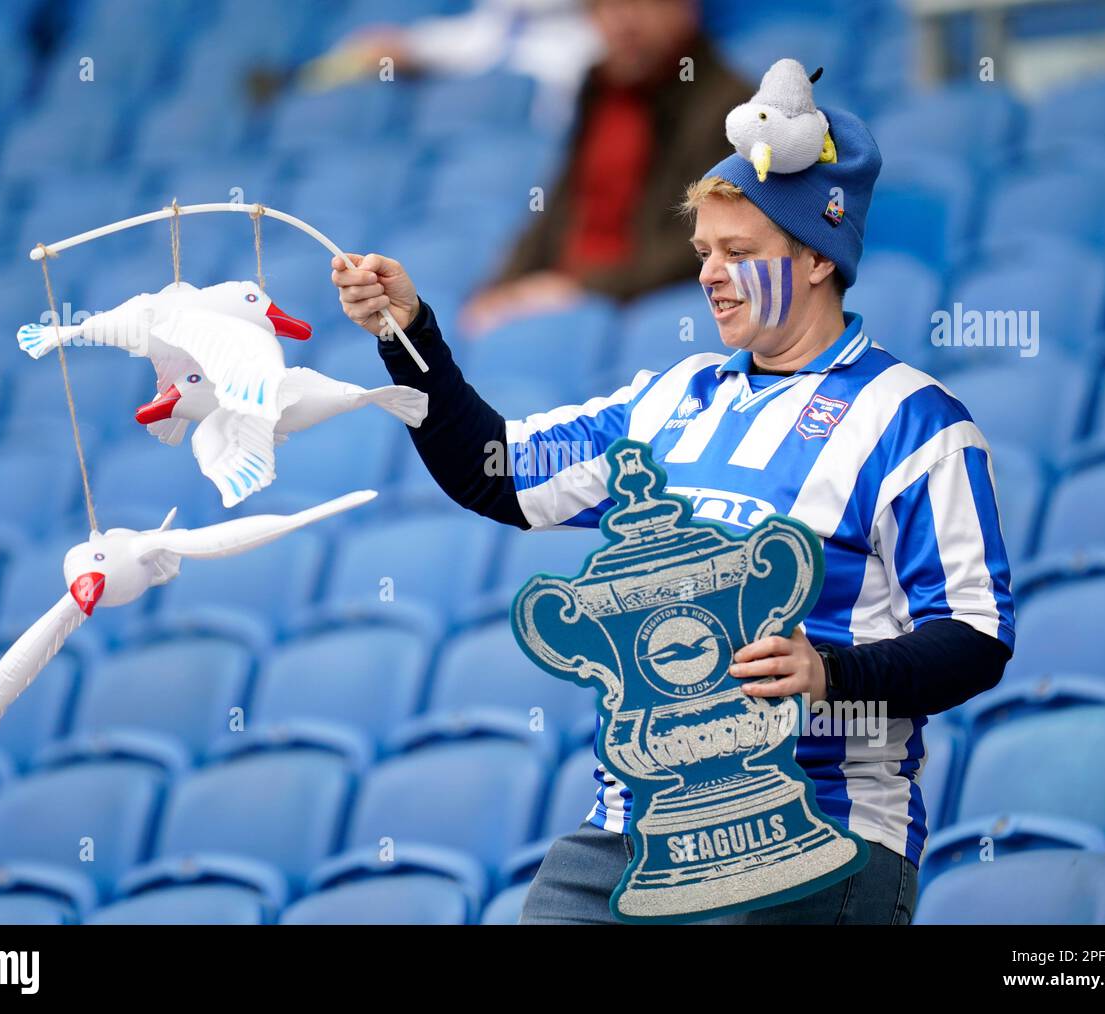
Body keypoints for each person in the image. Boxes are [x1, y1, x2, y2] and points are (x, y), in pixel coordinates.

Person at [328, 76, 1014, 925]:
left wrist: (830, 674)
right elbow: (493, 472)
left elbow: (976, 641)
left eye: (740, 253)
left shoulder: (917, 424)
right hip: (632, 831)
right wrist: (408, 336)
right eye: (703, 254)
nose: (712, 277)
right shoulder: (671, 398)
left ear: (816, 257)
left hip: (818, 831)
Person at [460, 0, 753, 333]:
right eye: (606, 6)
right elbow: (561, 202)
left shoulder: (732, 108)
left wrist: (581, 288)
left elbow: (702, 244)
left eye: (642, 5)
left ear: (685, 8)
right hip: (566, 295)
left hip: (637, 303)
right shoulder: (598, 84)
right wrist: (503, 287)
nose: (623, 21)